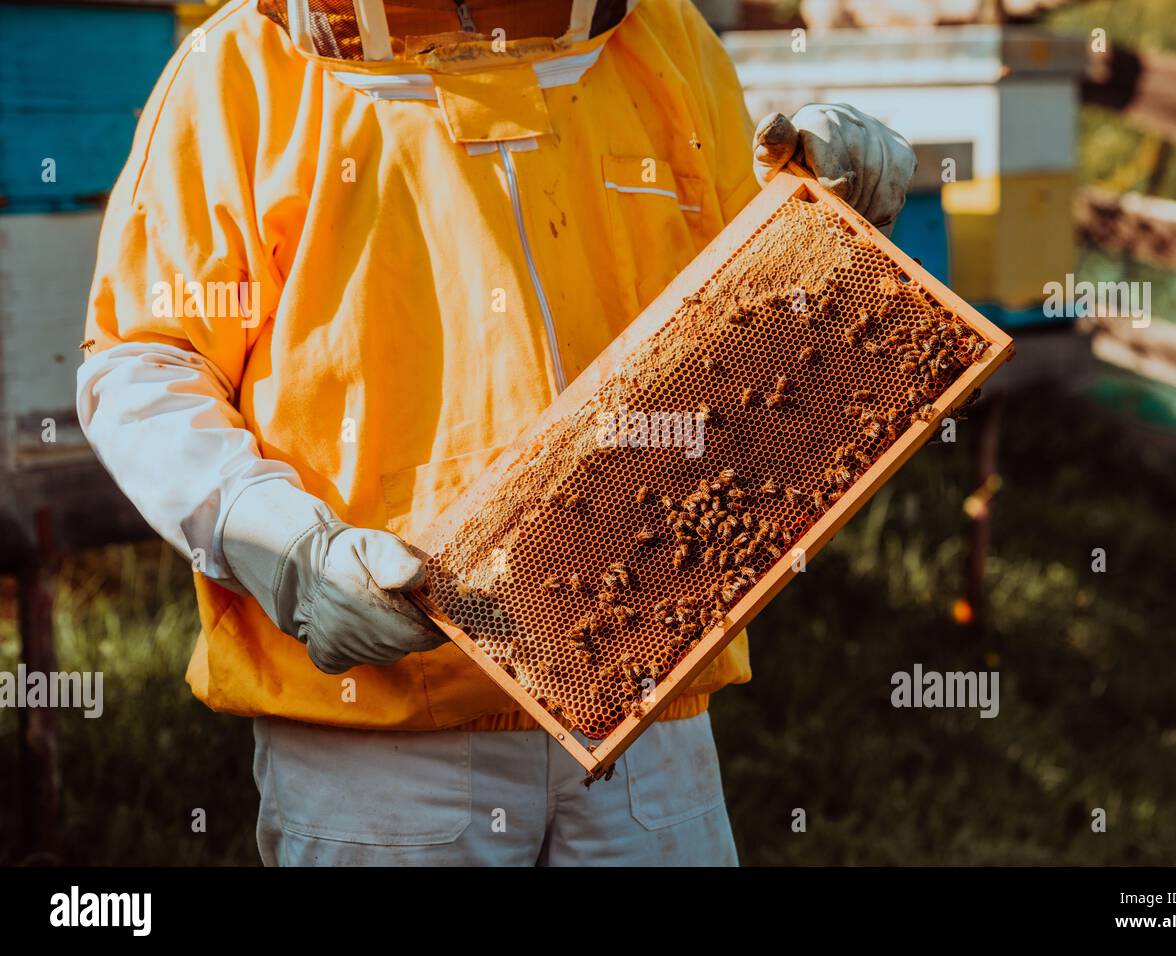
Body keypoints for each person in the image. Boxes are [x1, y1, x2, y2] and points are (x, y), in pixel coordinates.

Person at [77, 0, 915, 866]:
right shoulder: (242, 71)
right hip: (387, 736)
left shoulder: (659, 38)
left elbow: (748, 320)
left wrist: (820, 216)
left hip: (650, 710)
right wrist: (287, 551)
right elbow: (146, 365)